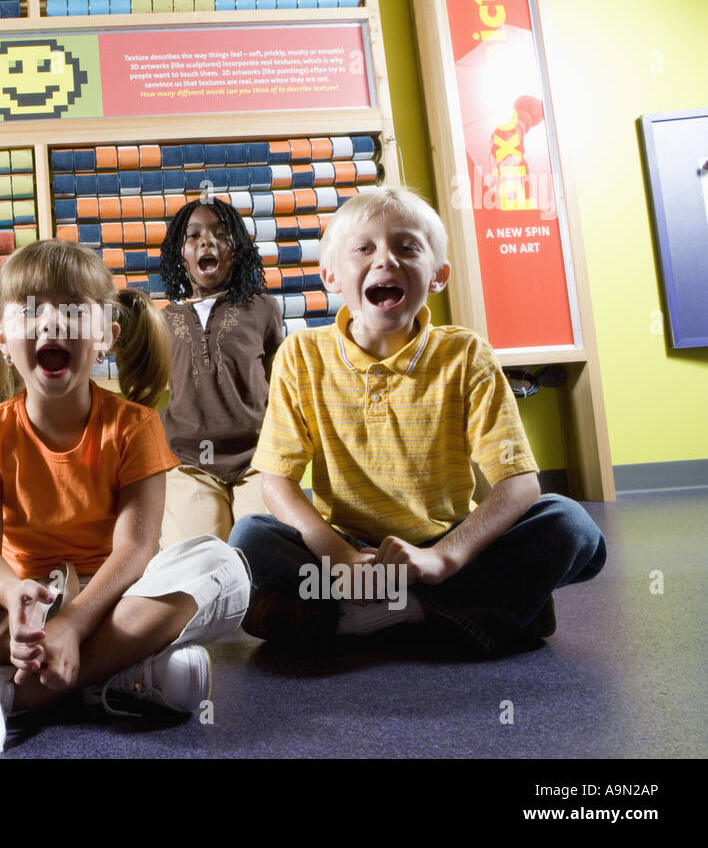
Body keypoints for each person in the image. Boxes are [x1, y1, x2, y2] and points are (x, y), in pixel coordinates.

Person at [0, 240, 251, 723]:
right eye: (31, 313)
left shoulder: (134, 426)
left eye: (74, 312)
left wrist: (74, 622)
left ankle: (16, 692)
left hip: (109, 605)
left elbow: (136, 550)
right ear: (2, 339)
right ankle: (120, 674)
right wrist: (16, 597)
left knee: (222, 564)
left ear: (107, 337)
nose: (51, 324)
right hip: (14, 611)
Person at [229, 187, 606, 654]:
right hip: (349, 548)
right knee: (250, 536)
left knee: (571, 525)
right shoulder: (301, 356)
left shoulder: (465, 354)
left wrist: (442, 559)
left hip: (444, 546)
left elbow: (520, 484)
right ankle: (483, 614)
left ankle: (372, 614)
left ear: (438, 276)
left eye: (407, 247)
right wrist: (340, 558)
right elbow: (277, 484)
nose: (386, 260)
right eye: (363, 248)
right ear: (331, 276)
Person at [158, 197, 284, 547]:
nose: (206, 242)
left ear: (236, 248)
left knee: (259, 550)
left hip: (258, 460)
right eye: (193, 235)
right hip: (189, 463)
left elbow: (280, 386)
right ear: (179, 254)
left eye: (220, 233)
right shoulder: (162, 319)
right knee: (198, 559)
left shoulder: (263, 309)